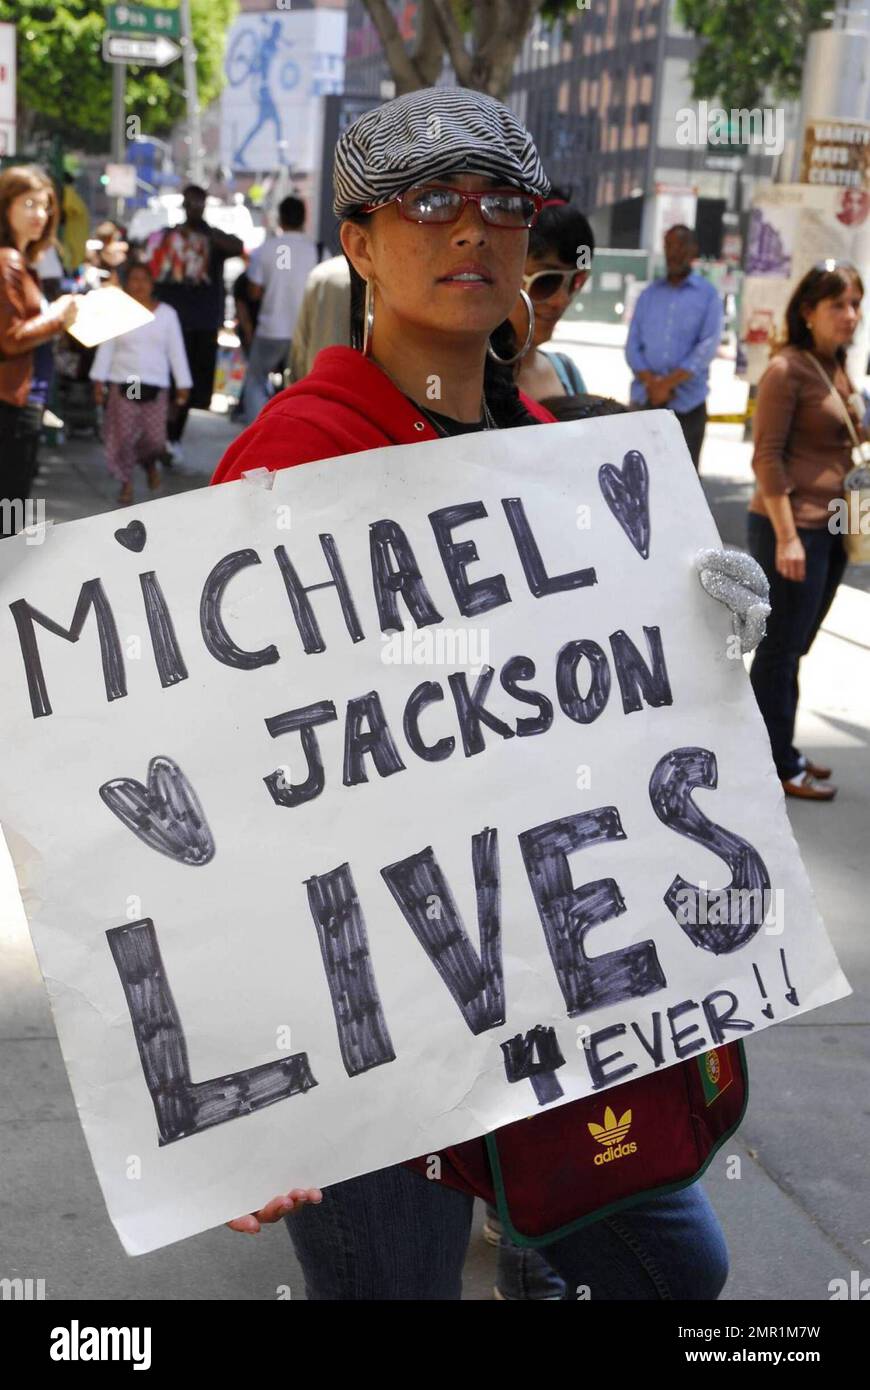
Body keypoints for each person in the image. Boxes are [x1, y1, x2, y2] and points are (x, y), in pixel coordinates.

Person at [212, 87, 768, 1302]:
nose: (472, 227)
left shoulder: (574, 466)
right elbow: (217, 769)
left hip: (549, 986)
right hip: (381, 1032)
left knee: (677, 1270)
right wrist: (245, 1066)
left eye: (502, 204)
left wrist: (703, 644)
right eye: (431, 200)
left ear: (529, 245)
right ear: (360, 242)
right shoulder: (294, 458)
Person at [747, 260, 864, 801]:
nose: (851, 315)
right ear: (807, 312)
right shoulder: (785, 370)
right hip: (793, 528)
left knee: (797, 645)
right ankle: (770, 762)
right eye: (838, 304)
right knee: (780, 648)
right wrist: (788, 537)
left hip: (836, 525)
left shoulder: (835, 366)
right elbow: (767, 458)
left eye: (857, 304)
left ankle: (782, 749)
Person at [0, 165, 78, 539]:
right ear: (6, 206)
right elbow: (10, 338)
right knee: (11, 520)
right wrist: (58, 317)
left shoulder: (20, 261)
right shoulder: (9, 261)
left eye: (45, 206)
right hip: (10, 408)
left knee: (14, 516)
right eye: (28, 204)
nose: (39, 215)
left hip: (22, 404)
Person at [149, 185, 243, 462]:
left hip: (202, 322)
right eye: (190, 203)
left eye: (199, 204)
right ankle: (164, 436)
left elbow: (238, 246)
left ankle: (173, 437)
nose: (194, 208)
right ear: (183, 205)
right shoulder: (169, 237)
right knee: (166, 382)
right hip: (172, 322)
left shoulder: (212, 238)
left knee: (191, 386)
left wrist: (203, 235)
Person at [90, 261, 192, 505]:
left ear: (152, 283)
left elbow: (176, 351)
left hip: (155, 384)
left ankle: (149, 464)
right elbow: (107, 348)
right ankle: (126, 483)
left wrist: (183, 384)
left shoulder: (167, 314)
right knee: (123, 437)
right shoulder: (119, 312)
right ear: (126, 283)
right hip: (126, 382)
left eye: (143, 279)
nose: (138, 285)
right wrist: (98, 382)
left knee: (155, 440)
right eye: (133, 279)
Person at [625, 224, 723, 469]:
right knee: (640, 482)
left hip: (687, 406)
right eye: (669, 246)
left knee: (684, 485)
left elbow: (706, 348)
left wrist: (666, 385)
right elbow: (632, 346)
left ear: (693, 251)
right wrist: (652, 384)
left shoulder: (708, 295)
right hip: (644, 402)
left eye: (680, 246)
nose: (673, 252)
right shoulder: (648, 295)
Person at [507, 193, 593, 402]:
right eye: (546, 281)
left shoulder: (568, 374)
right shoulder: (458, 384)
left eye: (575, 281)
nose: (561, 301)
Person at [241, 195, 319, 421]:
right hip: (304, 333)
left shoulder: (266, 248)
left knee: (255, 380)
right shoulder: (318, 249)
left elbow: (253, 292)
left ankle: (257, 431)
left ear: (280, 219)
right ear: (304, 219)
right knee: (299, 386)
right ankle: (294, 429)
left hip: (271, 329)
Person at [288, 253, 351, 382]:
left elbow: (301, 336)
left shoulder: (321, 273)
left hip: (318, 375)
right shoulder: (382, 275)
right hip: (361, 384)